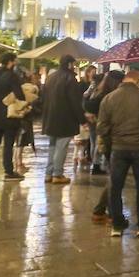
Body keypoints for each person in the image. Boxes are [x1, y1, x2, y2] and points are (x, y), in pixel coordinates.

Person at [95, 68, 139, 236]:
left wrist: (115, 133)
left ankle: (117, 225)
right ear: (138, 80)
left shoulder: (109, 98)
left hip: (119, 148)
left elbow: (101, 128)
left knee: (115, 186)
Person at [41, 55, 83, 184]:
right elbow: (75, 101)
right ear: (69, 64)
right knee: (61, 146)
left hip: (50, 117)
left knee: (52, 146)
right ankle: (57, 174)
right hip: (65, 118)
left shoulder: (50, 77)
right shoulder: (70, 78)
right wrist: (82, 119)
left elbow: (44, 98)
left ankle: (49, 173)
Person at [0, 54, 25, 181]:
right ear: (10, 62)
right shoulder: (12, 76)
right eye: (15, 61)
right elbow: (19, 95)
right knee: (8, 144)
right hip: (8, 114)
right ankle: (8, 171)